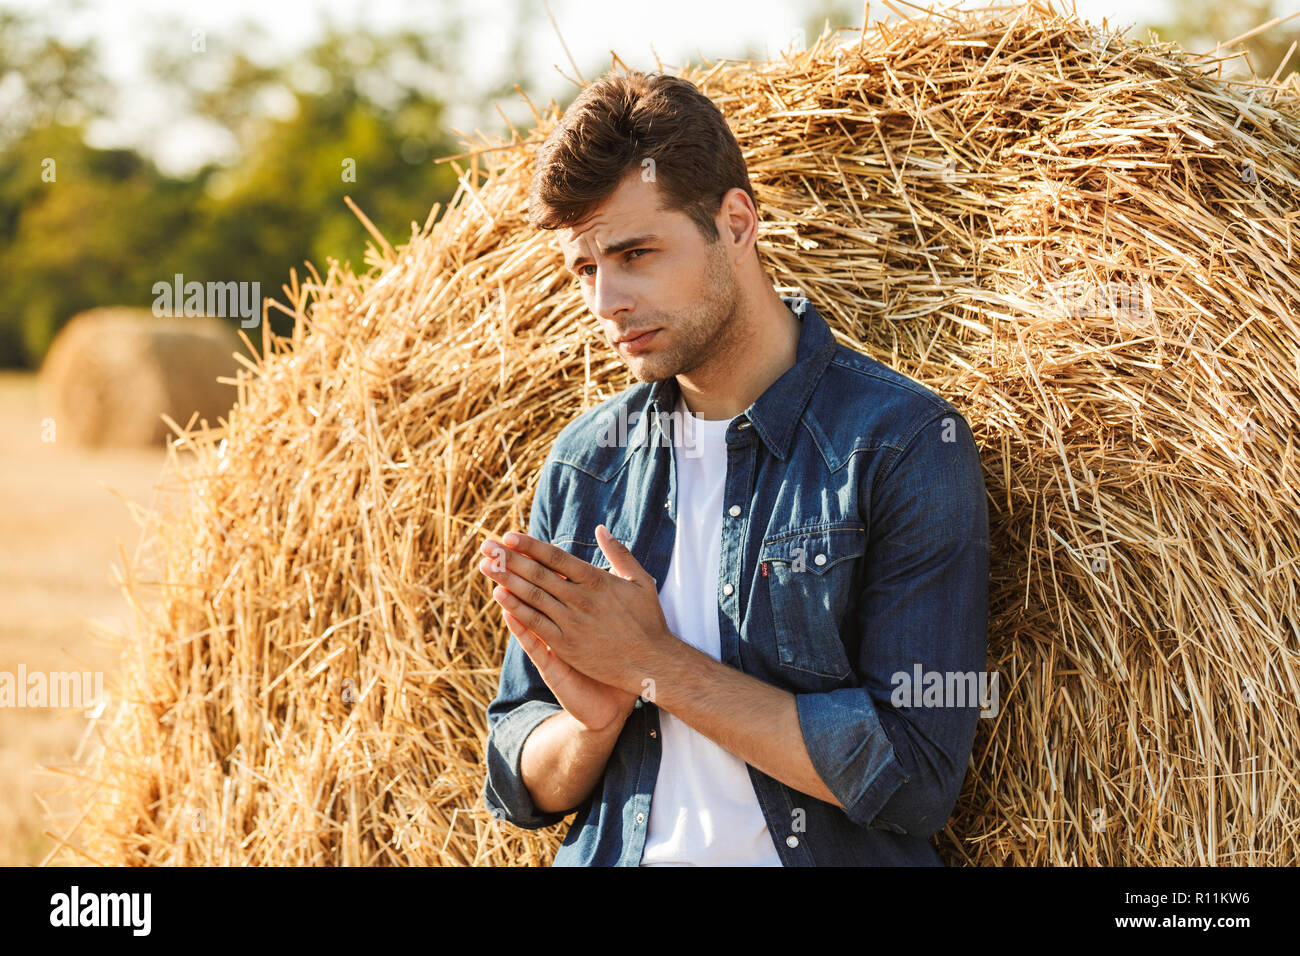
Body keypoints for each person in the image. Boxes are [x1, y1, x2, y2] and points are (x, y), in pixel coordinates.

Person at [480, 69, 989, 865]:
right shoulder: (588, 465)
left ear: (738, 222)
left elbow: (914, 770)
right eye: (585, 269)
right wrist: (594, 720)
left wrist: (653, 666)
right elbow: (518, 772)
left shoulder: (899, 443)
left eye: (637, 253)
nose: (606, 300)